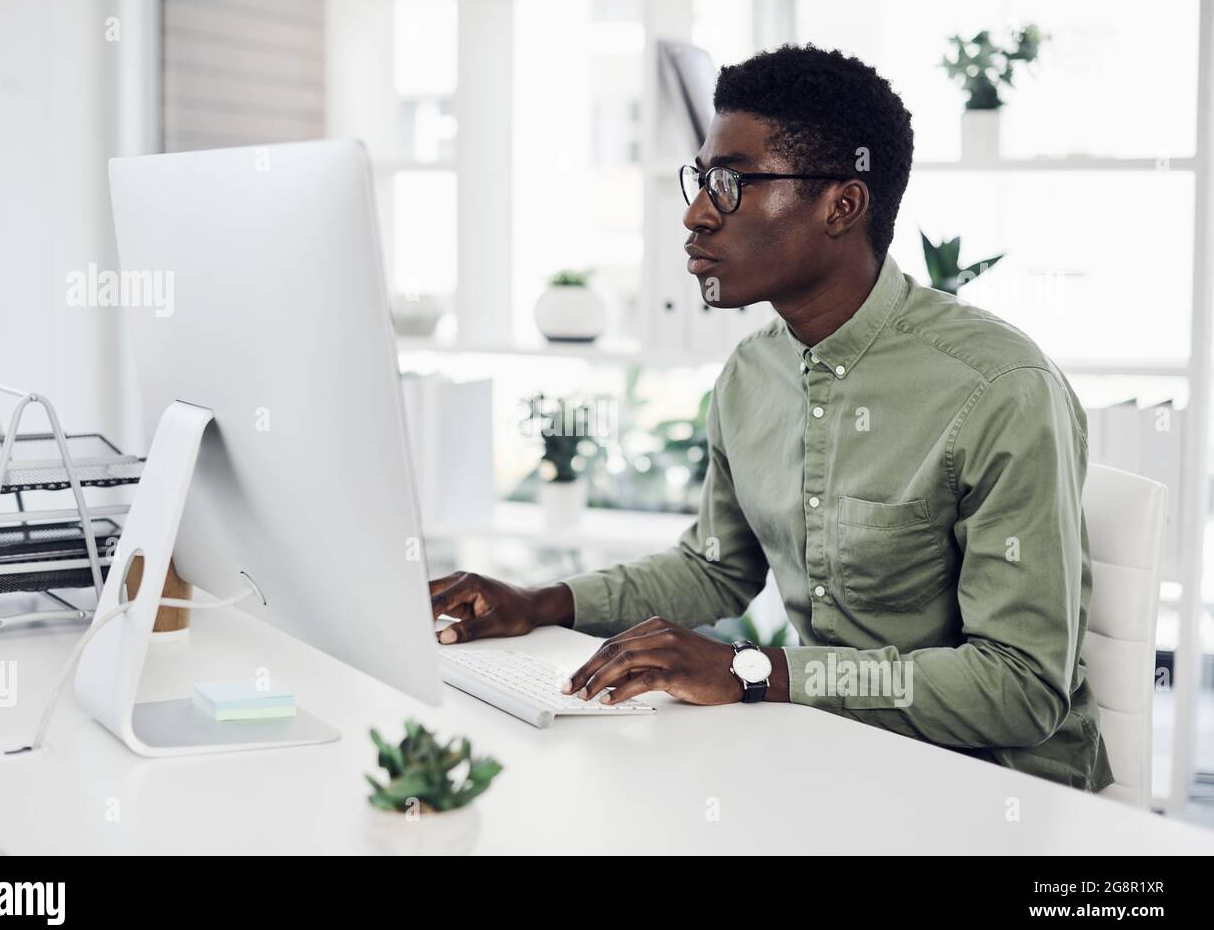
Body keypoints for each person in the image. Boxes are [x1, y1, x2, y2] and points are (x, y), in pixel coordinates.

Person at [430, 44, 1110, 792]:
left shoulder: (999, 387)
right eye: (701, 180)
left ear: (841, 205)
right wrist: (540, 602)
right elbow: (715, 567)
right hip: (827, 754)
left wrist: (756, 669)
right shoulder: (752, 373)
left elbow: (1020, 687)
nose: (695, 214)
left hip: (999, 788)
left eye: (731, 184)